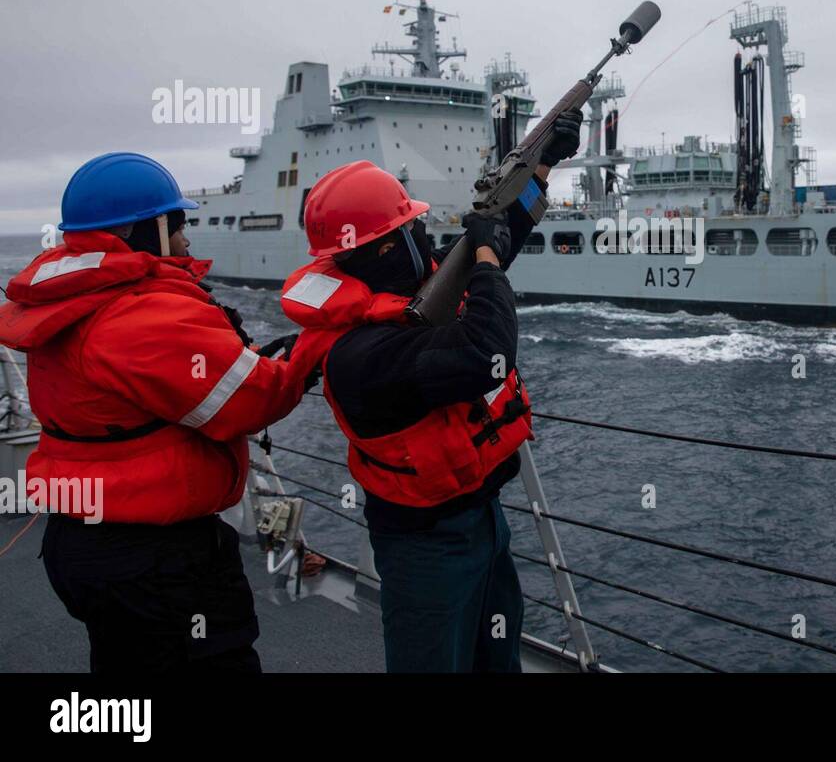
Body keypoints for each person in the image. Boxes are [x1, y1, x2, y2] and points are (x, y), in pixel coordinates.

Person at [280, 111, 582, 672]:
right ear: (388, 248)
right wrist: (485, 259)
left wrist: (542, 167)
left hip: (482, 518)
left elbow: (497, 242)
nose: (423, 233)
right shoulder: (359, 355)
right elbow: (486, 354)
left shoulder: (404, 290)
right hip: (426, 544)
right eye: (412, 226)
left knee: (497, 659)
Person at [0, 152, 318, 672]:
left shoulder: (74, 298)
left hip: (84, 540)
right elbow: (250, 401)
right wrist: (304, 363)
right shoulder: (143, 311)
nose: (187, 239)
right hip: (155, 558)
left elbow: (161, 384)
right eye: (177, 224)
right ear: (142, 229)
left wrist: (245, 360)